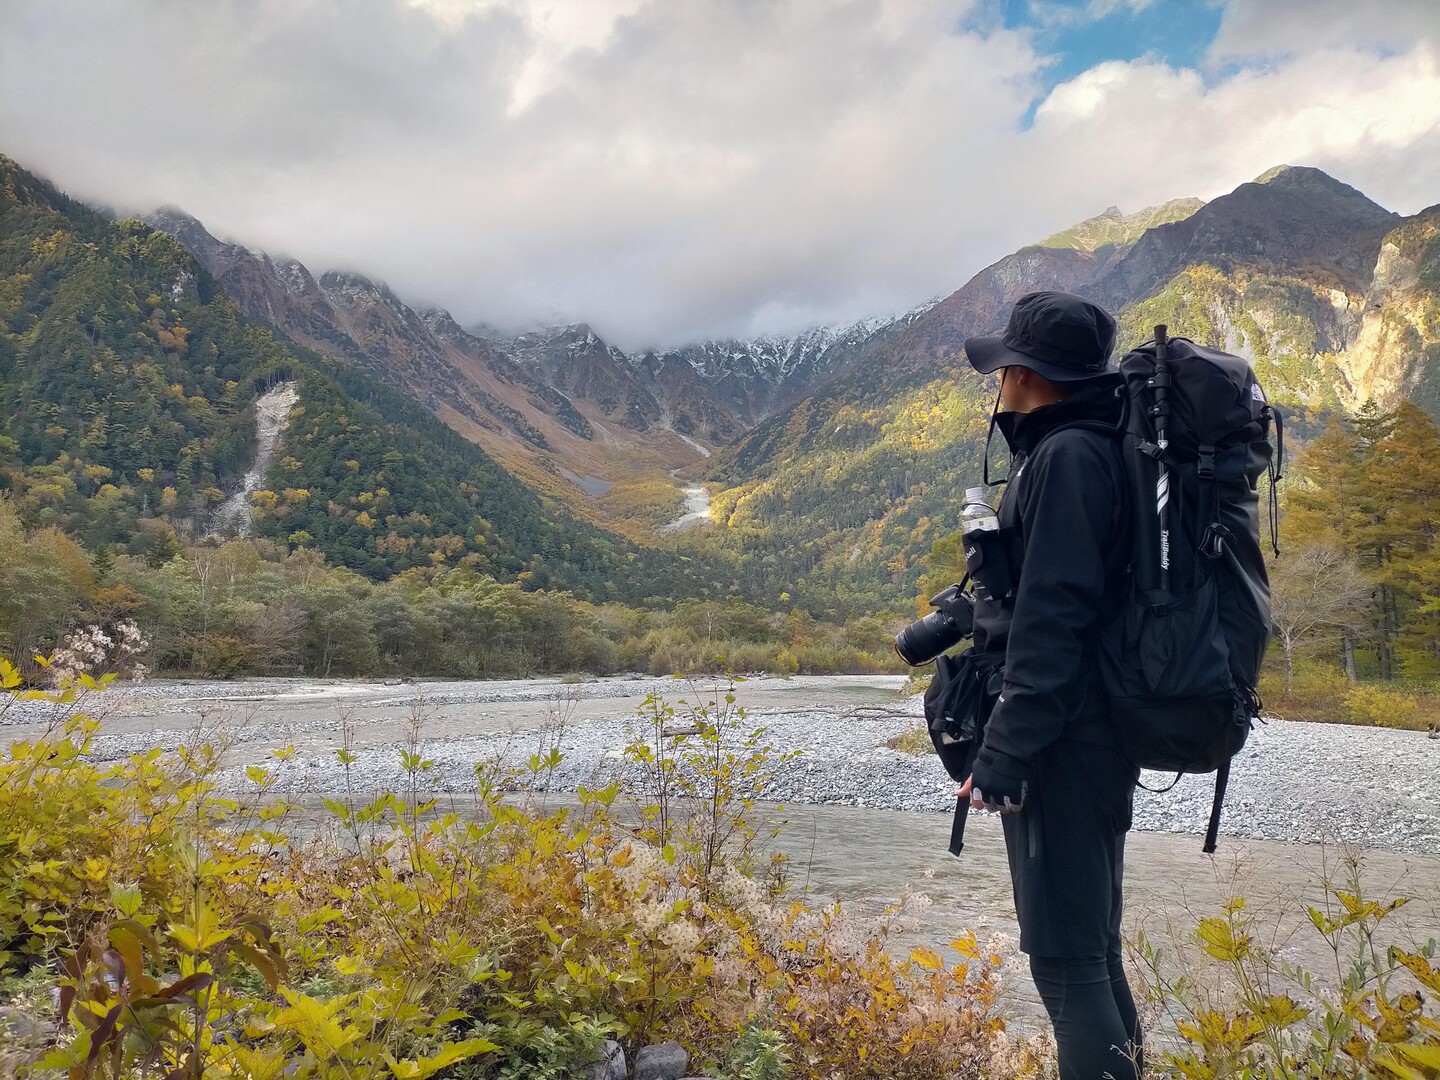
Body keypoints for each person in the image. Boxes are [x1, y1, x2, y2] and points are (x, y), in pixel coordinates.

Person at [958, 291, 1142, 1080]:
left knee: (1067, 968)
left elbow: (1054, 619)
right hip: (1093, 732)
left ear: (1024, 372)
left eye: (1001, 365)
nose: (994, 379)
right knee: (1091, 950)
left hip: (1063, 741)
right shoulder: (1092, 447)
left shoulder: (1066, 458)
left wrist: (1005, 752)